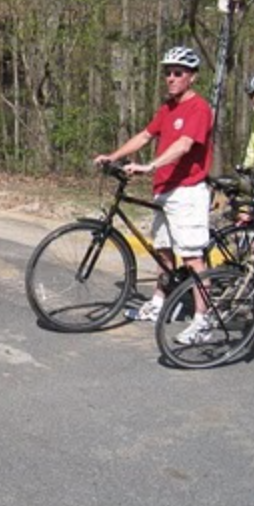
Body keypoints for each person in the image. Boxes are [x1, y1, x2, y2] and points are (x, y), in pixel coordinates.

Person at [94, 46, 213, 343]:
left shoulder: (199, 108)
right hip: (164, 190)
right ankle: (160, 304)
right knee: (163, 252)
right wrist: (113, 155)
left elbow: (184, 145)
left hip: (187, 191)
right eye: (168, 73)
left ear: (192, 77)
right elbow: (145, 135)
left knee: (192, 258)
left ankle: (204, 319)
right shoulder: (167, 108)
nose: (171, 78)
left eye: (178, 73)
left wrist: (150, 165)